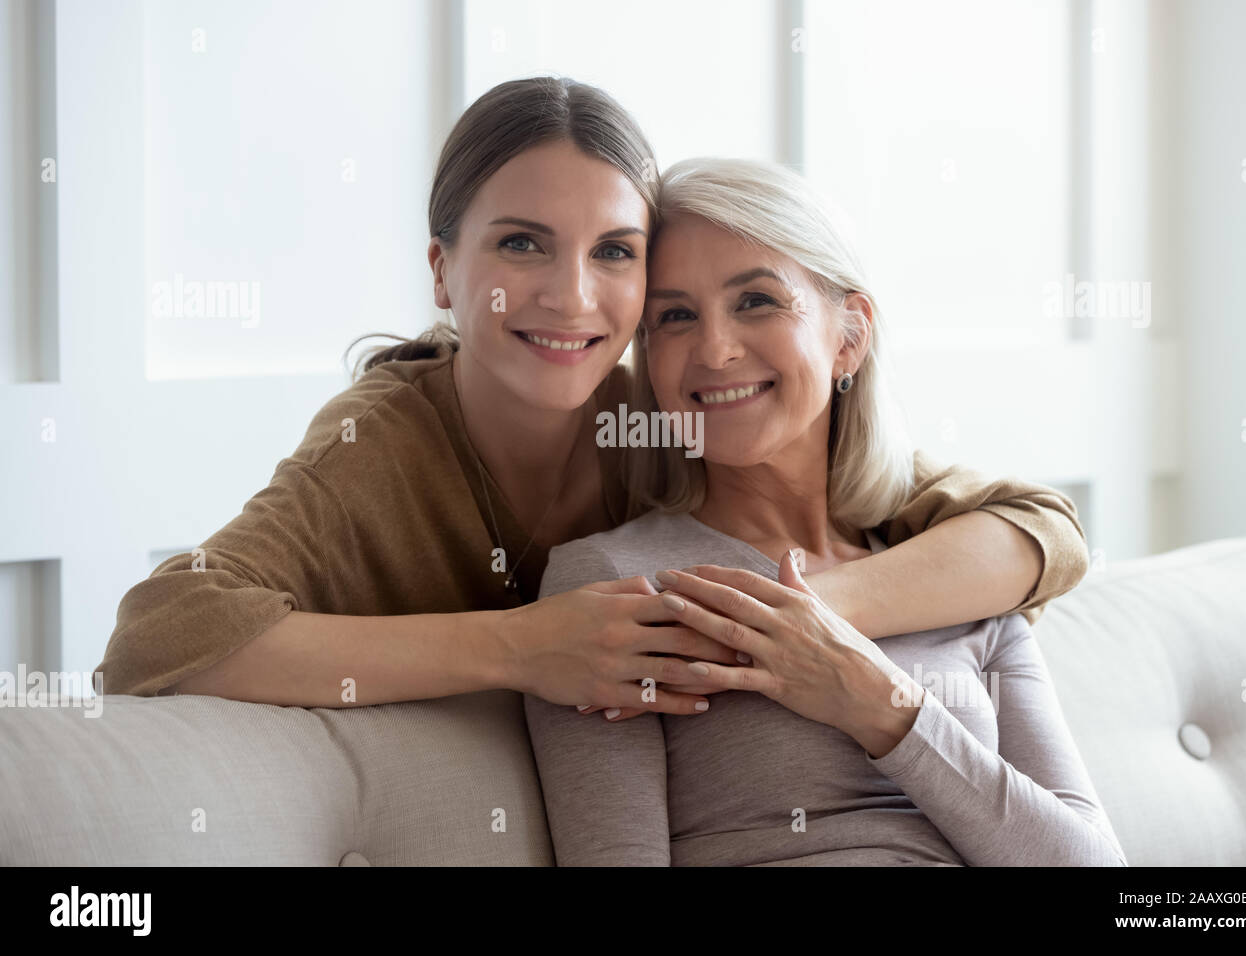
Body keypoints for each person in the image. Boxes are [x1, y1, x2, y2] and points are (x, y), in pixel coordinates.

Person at [96, 77, 1089, 721]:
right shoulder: (378, 444)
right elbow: (155, 634)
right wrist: (523, 645)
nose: (572, 297)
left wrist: (804, 612)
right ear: (443, 270)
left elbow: (1040, 527)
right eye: (521, 243)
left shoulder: (670, 408)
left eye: (615, 252)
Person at [523, 157, 1125, 865]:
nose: (714, 349)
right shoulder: (614, 586)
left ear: (848, 337)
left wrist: (878, 703)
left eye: (756, 301)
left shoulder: (956, 577)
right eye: (676, 317)